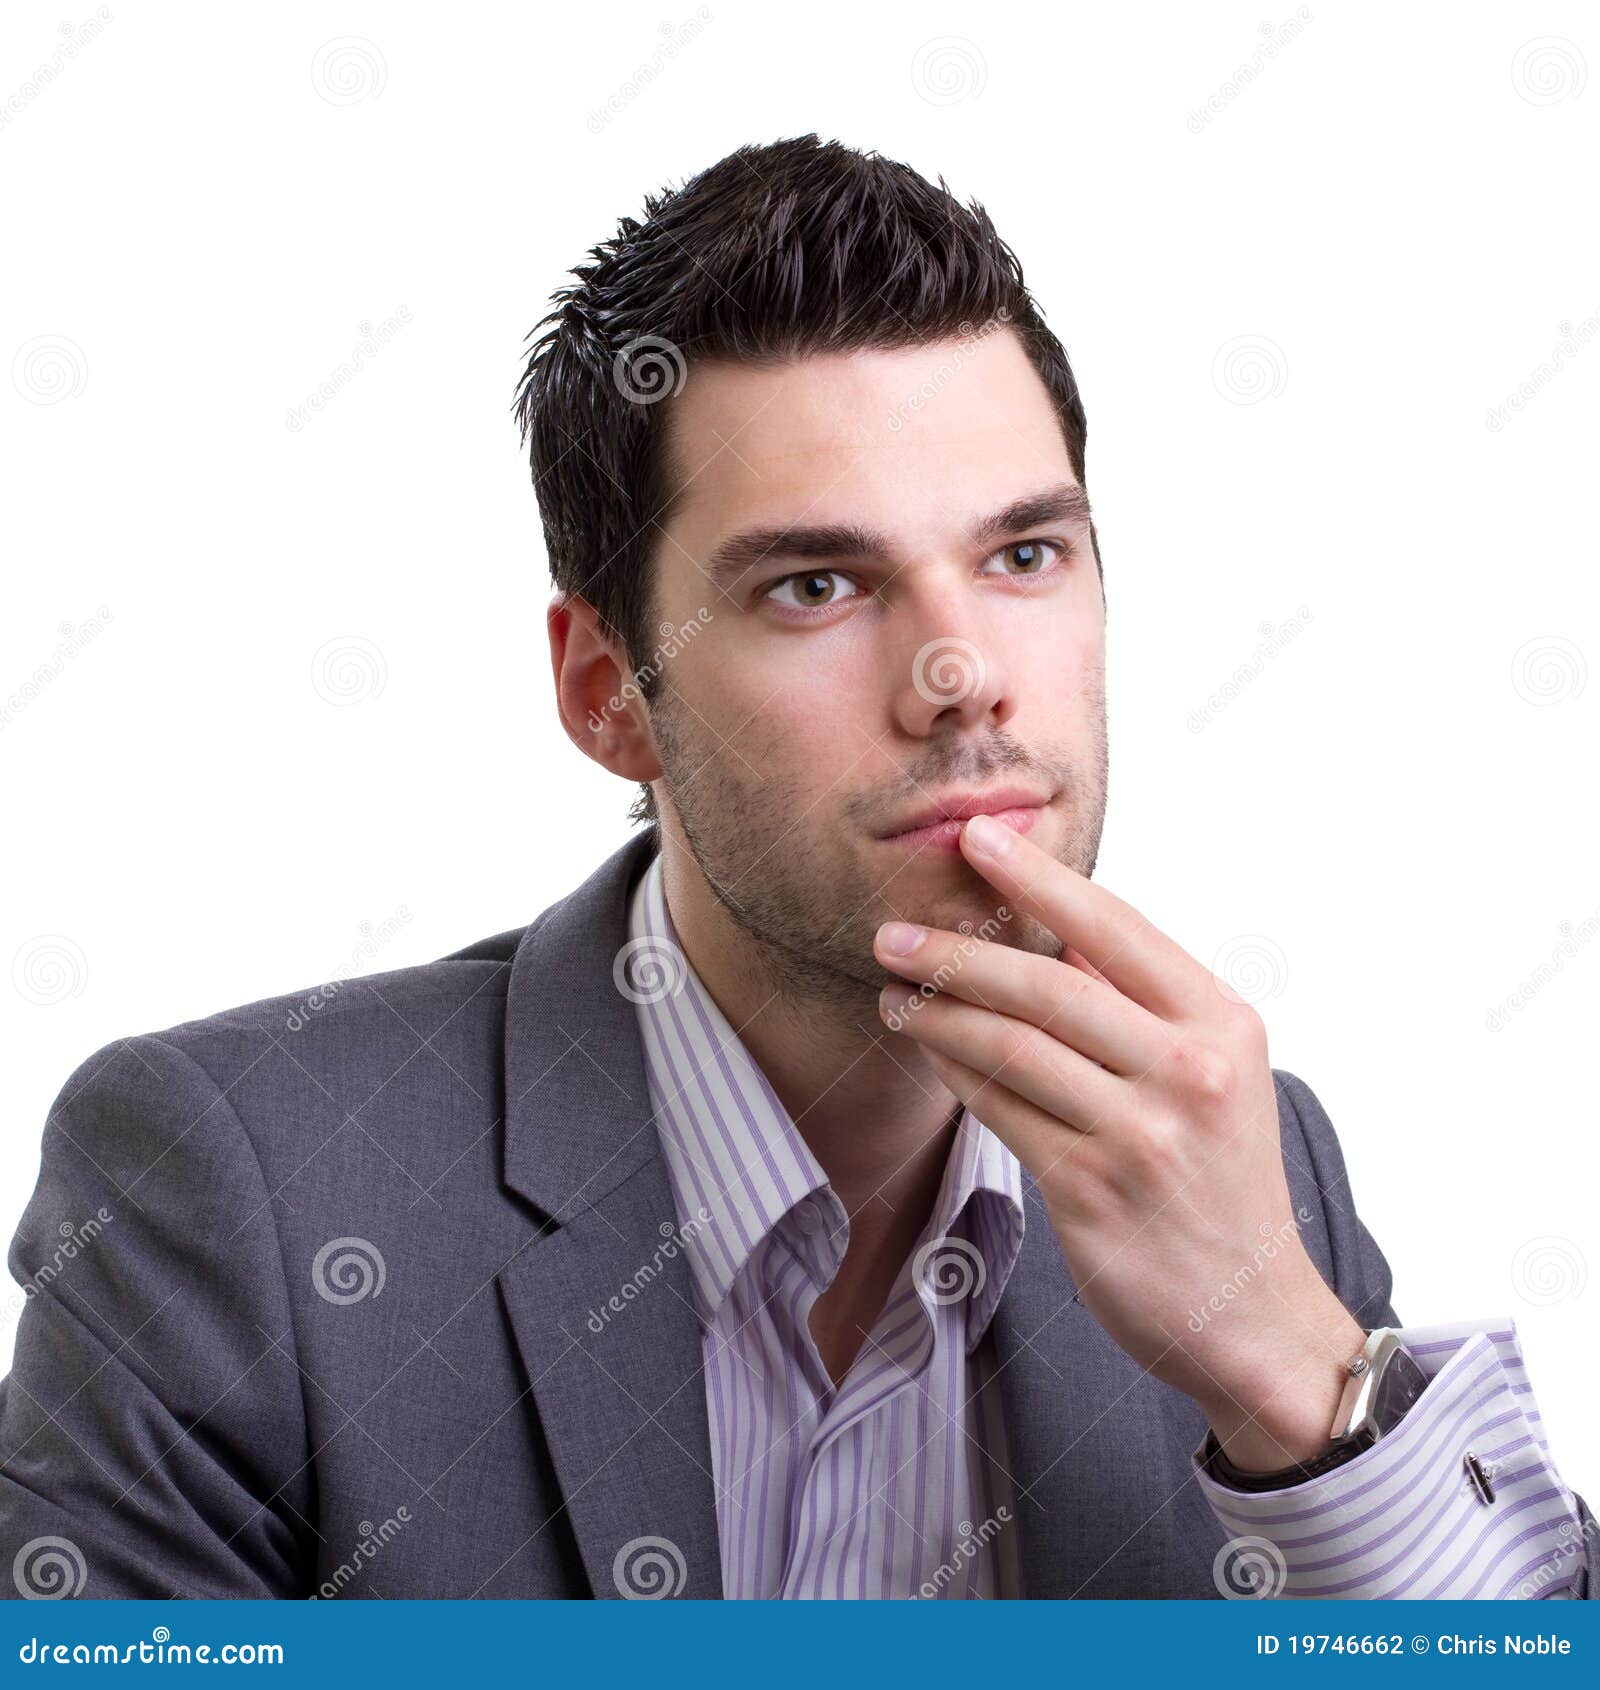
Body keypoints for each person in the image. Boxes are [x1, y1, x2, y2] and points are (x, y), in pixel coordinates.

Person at [1, 135, 1592, 1601]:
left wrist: (1307, 1385)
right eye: (820, 583)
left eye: (1023, 554)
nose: (962, 673)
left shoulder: (1245, 1155)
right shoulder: (234, 1198)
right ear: (607, 688)